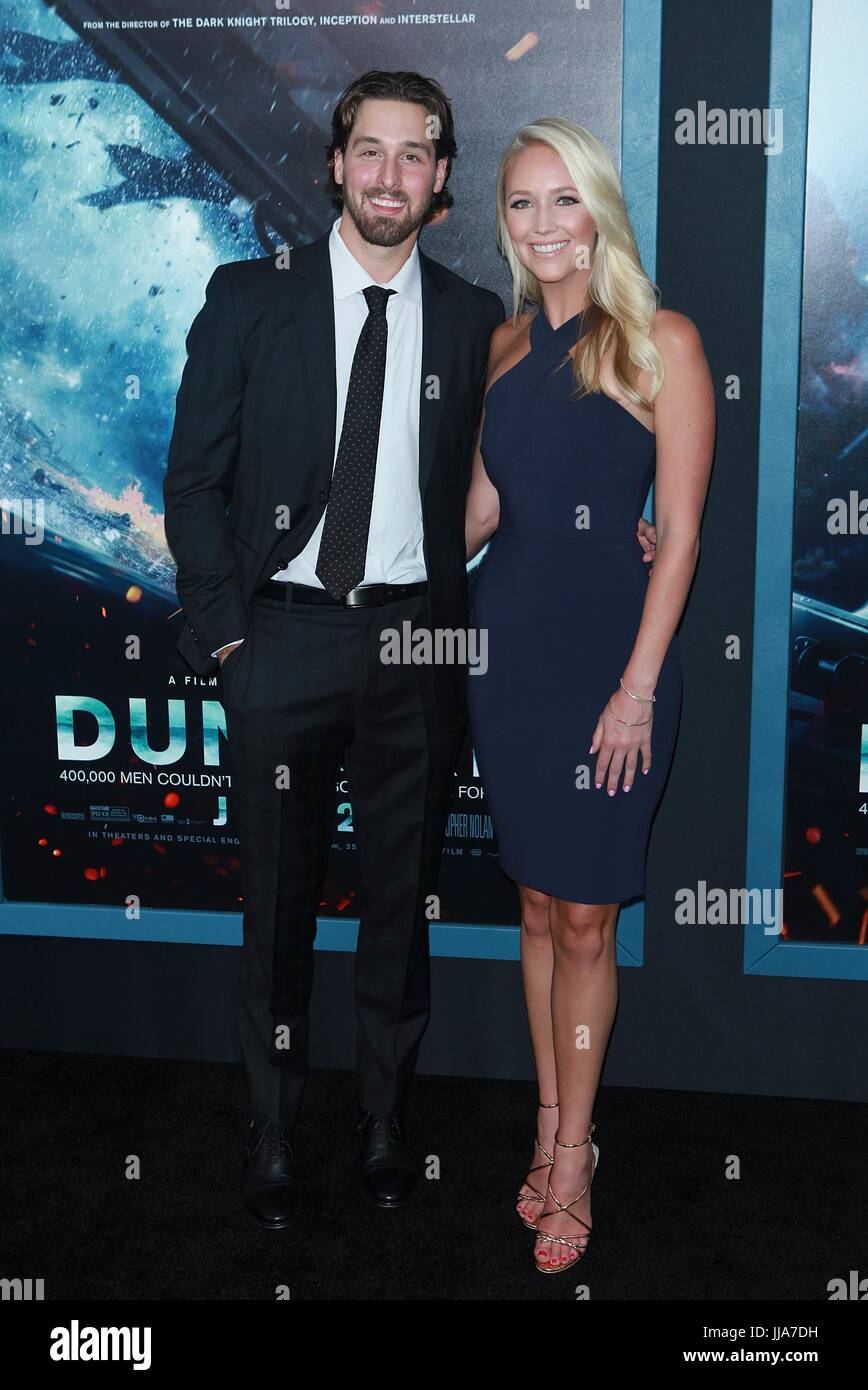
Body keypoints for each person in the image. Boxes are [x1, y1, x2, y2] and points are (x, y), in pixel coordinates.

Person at [162, 70, 509, 1228]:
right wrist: (228, 639)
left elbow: (513, 468)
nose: (388, 175)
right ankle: (272, 1130)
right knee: (277, 909)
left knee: (400, 902)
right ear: (335, 164)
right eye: (369, 150)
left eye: (413, 155)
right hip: (281, 640)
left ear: (441, 177)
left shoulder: (472, 319)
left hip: (416, 641)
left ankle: (383, 1120)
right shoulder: (248, 297)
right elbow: (192, 483)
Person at [465, 117, 715, 1273]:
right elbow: (480, 511)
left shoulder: (662, 338)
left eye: (564, 199)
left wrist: (636, 691)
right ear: (504, 221)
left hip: (614, 662)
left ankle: (575, 1159)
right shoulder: (504, 345)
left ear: (599, 210)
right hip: (508, 651)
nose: (544, 223)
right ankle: (547, 1121)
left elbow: (682, 537)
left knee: (583, 918)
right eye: (523, 203)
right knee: (531, 906)